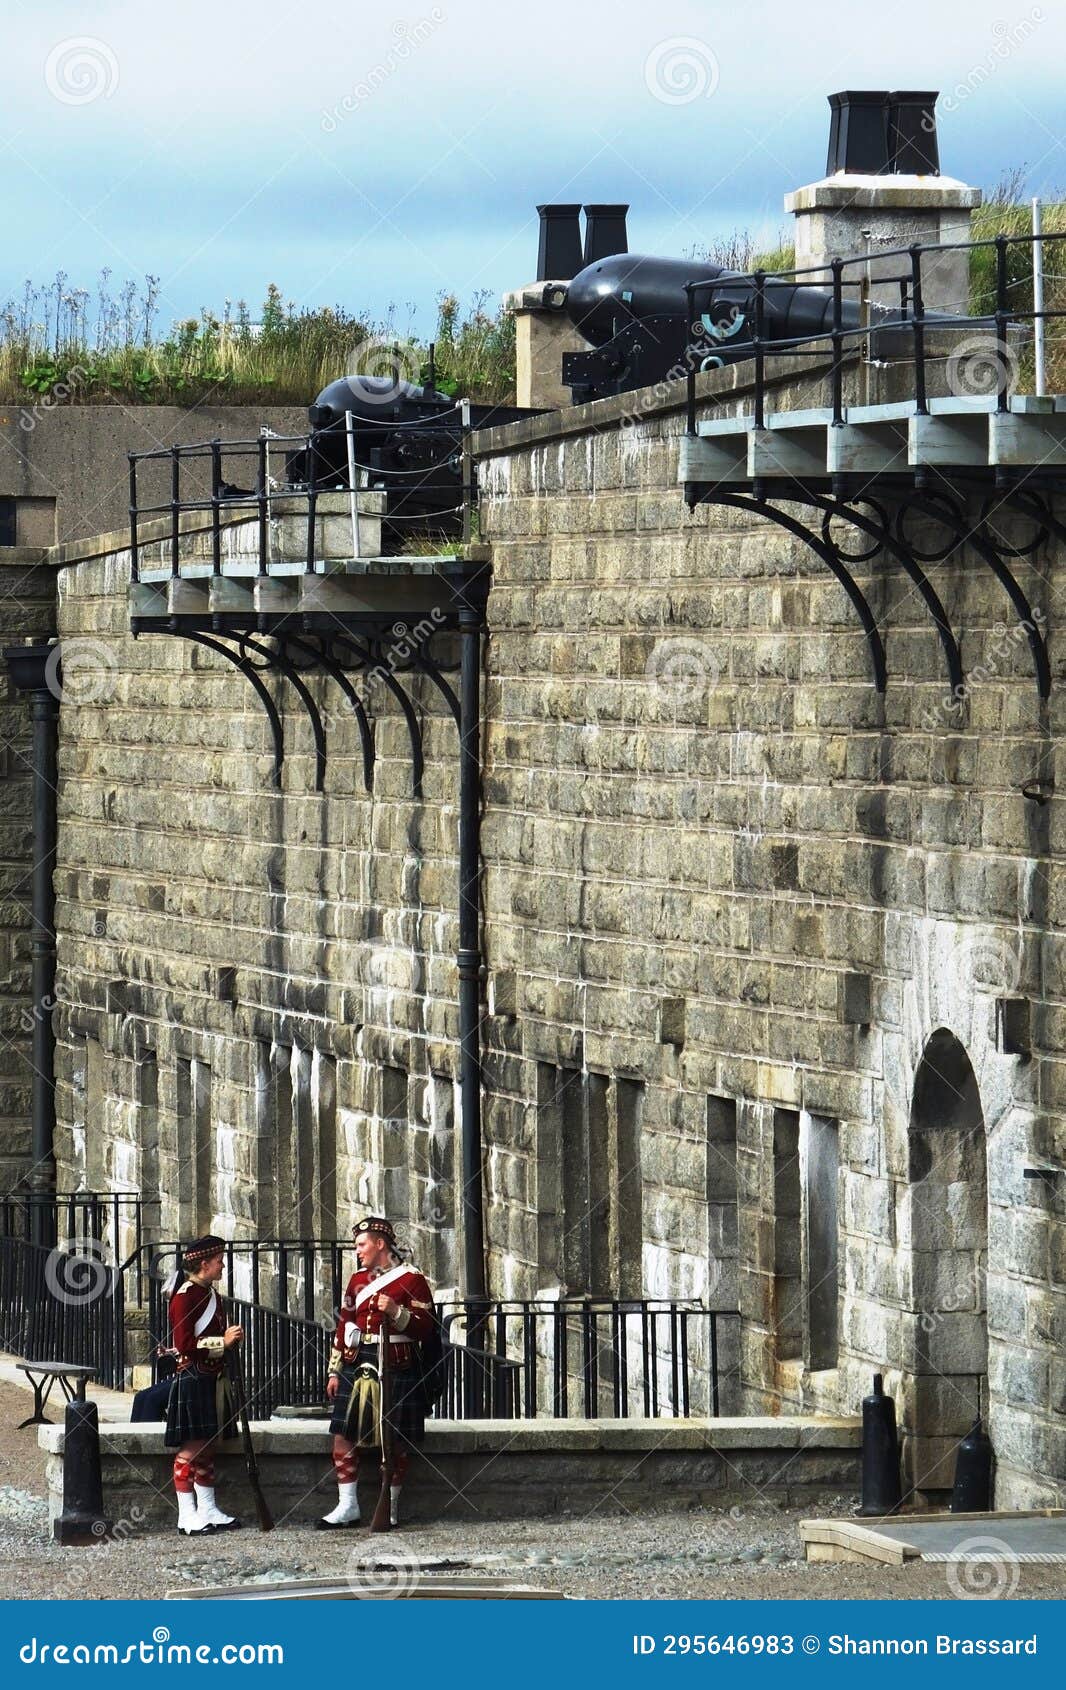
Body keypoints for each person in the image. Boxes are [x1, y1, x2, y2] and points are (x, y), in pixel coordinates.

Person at [318, 1216, 435, 1529]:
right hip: (358, 1361)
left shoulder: (412, 1280)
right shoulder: (357, 1280)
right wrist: (334, 1369)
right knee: (342, 1436)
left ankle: (390, 1506)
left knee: (394, 1441)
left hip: (396, 1362)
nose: (358, 1251)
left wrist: (396, 1312)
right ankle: (348, 1506)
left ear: (380, 1244)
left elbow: (427, 1329)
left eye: (362, 1244)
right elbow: (344, 1323)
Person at [163, 1235, 244, 1535]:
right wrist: (221, 1342)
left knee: (208, 1447)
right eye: (219, 1260)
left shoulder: (212, 1296)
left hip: (214, 1377)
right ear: (205, 1264)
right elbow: (183, 1343)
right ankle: (186, 1515)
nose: (223, 1264)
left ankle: (208, 1508)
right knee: (192, 1449)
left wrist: (230, 1340)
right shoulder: (185, 1295)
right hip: (194, 1376)